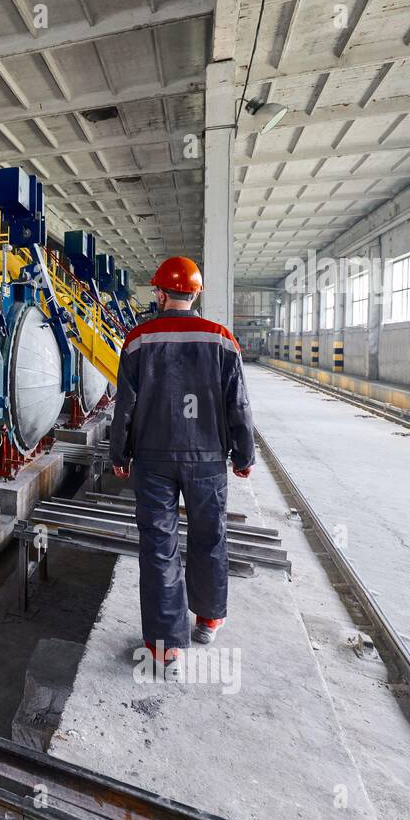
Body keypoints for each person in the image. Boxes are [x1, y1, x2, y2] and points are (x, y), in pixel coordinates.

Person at [107, 256, 255, 681]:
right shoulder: (221, 339)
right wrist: (243, 456)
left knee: (159, 546)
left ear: (159, 293)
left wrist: (119, 455)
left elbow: (125, 406)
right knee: (210, 536)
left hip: (153, 460)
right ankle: (208, 618)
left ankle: (165, 646)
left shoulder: (138, 339)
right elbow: (238, 405)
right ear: (196, 294)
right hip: (207, 458)